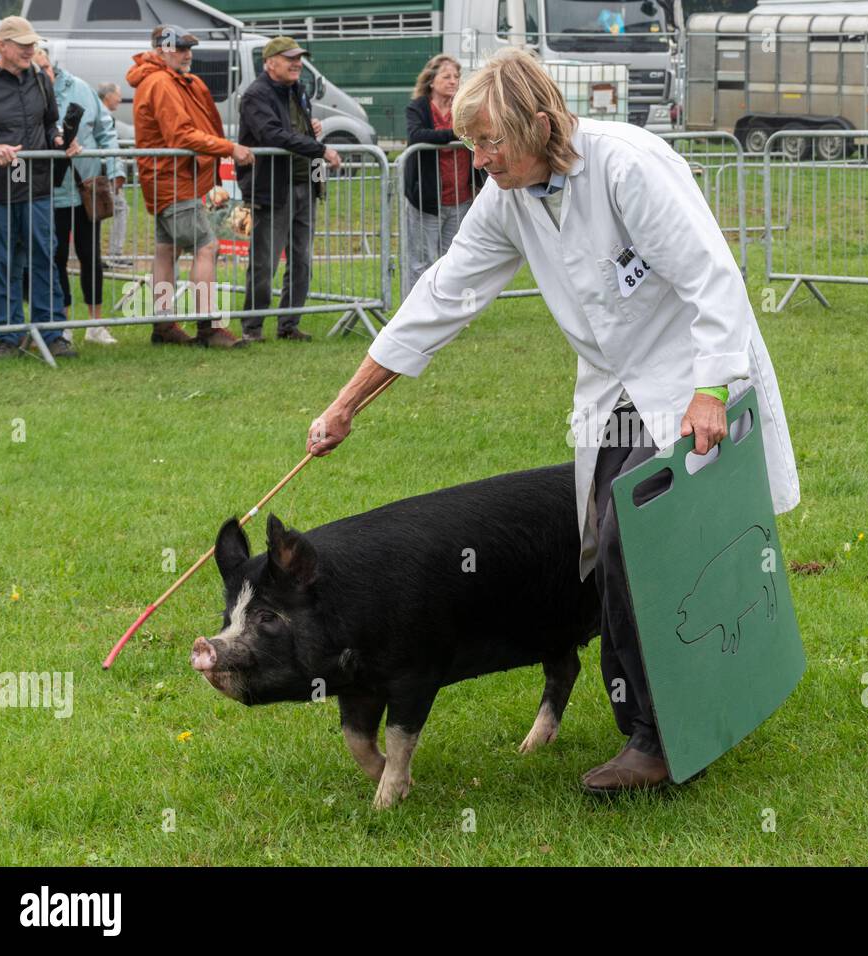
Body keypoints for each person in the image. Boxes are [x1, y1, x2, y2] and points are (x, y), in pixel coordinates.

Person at [306, 49, 799, 801]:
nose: (481, 162)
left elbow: (711, 275)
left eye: (492, 142)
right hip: (615, 389)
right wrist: (347, 401)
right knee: (604, 544)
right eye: (471, 144)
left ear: (541, 123)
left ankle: (658, 739)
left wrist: (709, 389)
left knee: (654, 544)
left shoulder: (628, 165)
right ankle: (654, 714)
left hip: (688, 372)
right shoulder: (510, 197)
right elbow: (444, 294)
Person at [127, 24, 253, 348]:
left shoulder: (178, 81)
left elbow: (197, 128)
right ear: (161, 50)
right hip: (173, 179)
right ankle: (208, 326)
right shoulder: (160, 83)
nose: (187, 54)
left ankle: (164, 325)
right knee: (206, 247)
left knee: (167, 250)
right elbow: (180, 135)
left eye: (188, 48)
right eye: (179, 48)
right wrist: (228, 148)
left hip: (175, 178)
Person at [0, 16, 81, 360]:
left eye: (32, 44)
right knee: (0, 261)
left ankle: (51, 333)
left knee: (45, 257)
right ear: (2, 46)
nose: (30, 50)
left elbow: (48, 123)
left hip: (37, 184)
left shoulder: (39, 79)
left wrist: (60, 140)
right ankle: (4, 334)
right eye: (22, 45)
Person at [236, 36, 340, 343]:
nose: (297, 63)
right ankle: (251, 328)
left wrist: (310, 129)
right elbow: (272, 135)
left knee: (302, 260)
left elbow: (292, 129)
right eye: (289, 58)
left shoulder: (297, 90)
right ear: (270, 63)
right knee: (264, 262)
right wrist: (319, 147)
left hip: (304, 185)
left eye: (299, 57)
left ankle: (289, 325)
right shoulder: (256, 95)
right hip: (271, 189)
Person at [35, 49, 121, 346]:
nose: (44, 71)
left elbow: (106, 130)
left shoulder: (81, 89)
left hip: (86, 187)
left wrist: (115, 167)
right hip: (49, 191)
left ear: (53, 65)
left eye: (46, 66)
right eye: (38, 67)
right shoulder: (29, 94)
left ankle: (96, 325)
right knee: (56, 257)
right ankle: (65, 322)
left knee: (91, 254)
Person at [403, 54, 485, 293]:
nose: (453, 81)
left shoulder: (466, 107)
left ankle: (446, 312)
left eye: (456, 76)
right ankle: (415, 317)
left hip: (461, 198)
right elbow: (417, 136)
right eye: (446, 76)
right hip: (427, 199)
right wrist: (454, 135)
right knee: (422, 261)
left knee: (453, 260)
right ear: (431, 80)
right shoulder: (418, 108)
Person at [96, 81, 132, 269]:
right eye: (118, 94)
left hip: (101, 172)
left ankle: (99, 255)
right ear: (108, 96)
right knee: (120, 209)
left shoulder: (100, 113)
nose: (120, 98)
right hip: (107, 173)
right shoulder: (106, 116)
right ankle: (114, 254)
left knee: (100, 212)